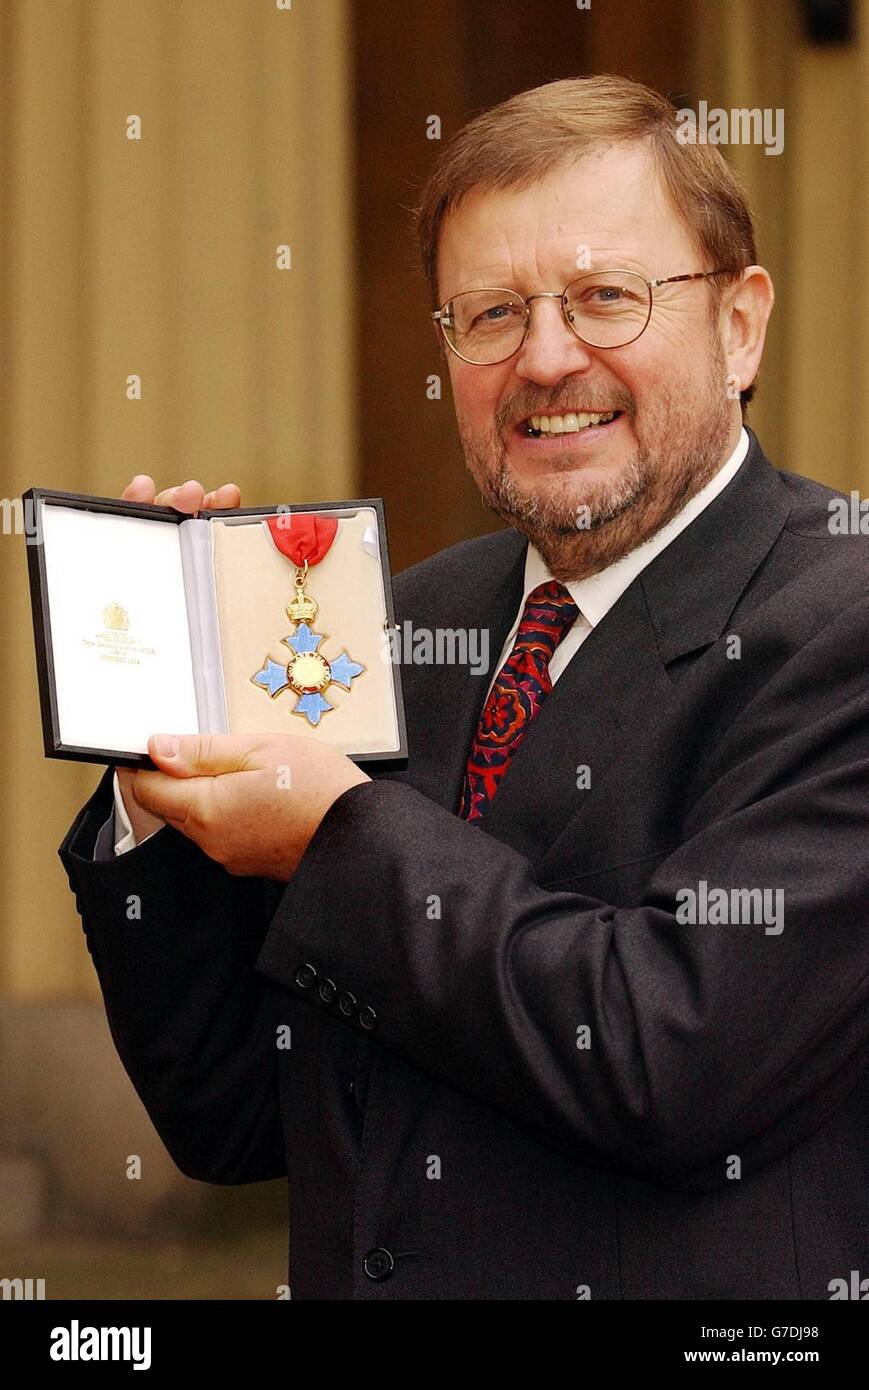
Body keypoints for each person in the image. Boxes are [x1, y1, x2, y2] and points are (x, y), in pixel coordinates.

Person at [61, 75, 868, 1300]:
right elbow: (238, 1114)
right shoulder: (402, 621)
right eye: (490, 313)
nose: (544, 358)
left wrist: (332, 833)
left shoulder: (837, 620)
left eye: (605, 296)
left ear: (739, 326)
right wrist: (159, 767)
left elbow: (666, 1056)